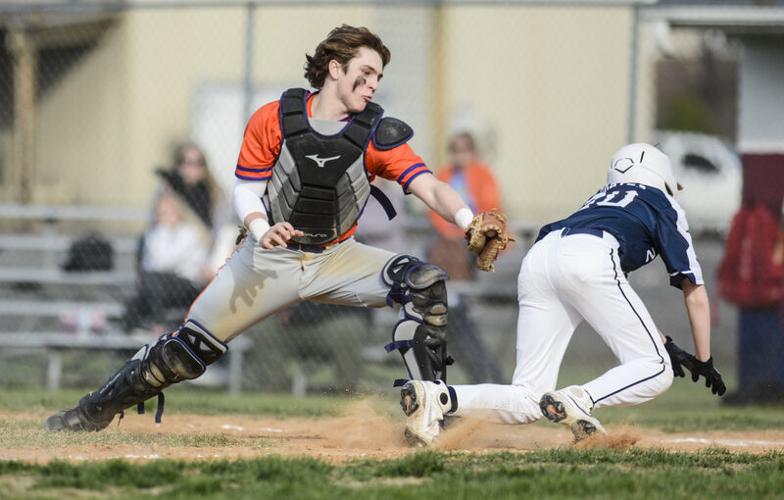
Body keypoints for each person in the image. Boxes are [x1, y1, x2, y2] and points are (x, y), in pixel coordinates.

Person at [46, 25, 503, 432]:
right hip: (268, 259)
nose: (374, 84)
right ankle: (95, 409)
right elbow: (246, 187)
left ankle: (430, 412)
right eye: (365, 72)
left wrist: (467, 221)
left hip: (336, 256)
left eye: (379, 76)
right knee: (186, 352)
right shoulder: (276, 118)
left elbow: (430, 188)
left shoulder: (376, 131)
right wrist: (261, 227)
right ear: (334, 67)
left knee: (424, 284)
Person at [399, 143, 726, 445]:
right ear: (664, 176)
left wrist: (664, 343)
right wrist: (705, 359)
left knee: (528, 397)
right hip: (589, 256)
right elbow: (694, 290)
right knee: (657, 368)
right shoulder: (663, 202)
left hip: (541, 257)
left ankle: (437, 398)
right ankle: (580, 400)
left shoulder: (599, 199)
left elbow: (609, 292)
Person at [428, 131, 503, 382]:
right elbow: (435, 209)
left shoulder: (482, 174)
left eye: (465, 150)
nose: (460, 155)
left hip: (473, 242)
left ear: (473, 152)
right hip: (448, 241)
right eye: (456, 150)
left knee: (460, 325)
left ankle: (456, 296)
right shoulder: (445, 175)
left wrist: (470, 235)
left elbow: (490, 208)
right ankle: (450, 295)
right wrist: (449, 233)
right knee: (441, 250)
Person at [122, 193, 210, 332]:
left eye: (169, 212)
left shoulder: (188, 234)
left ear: (178, 212)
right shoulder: (153, 233)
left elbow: (165, 261)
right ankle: (135, 336)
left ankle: (158, 324)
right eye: (162, 213)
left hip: (186, 285)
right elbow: (149, 265)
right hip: (159, 287)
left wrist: (163, 230)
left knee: (151, 279)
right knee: (134, 302)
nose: (165, 217)